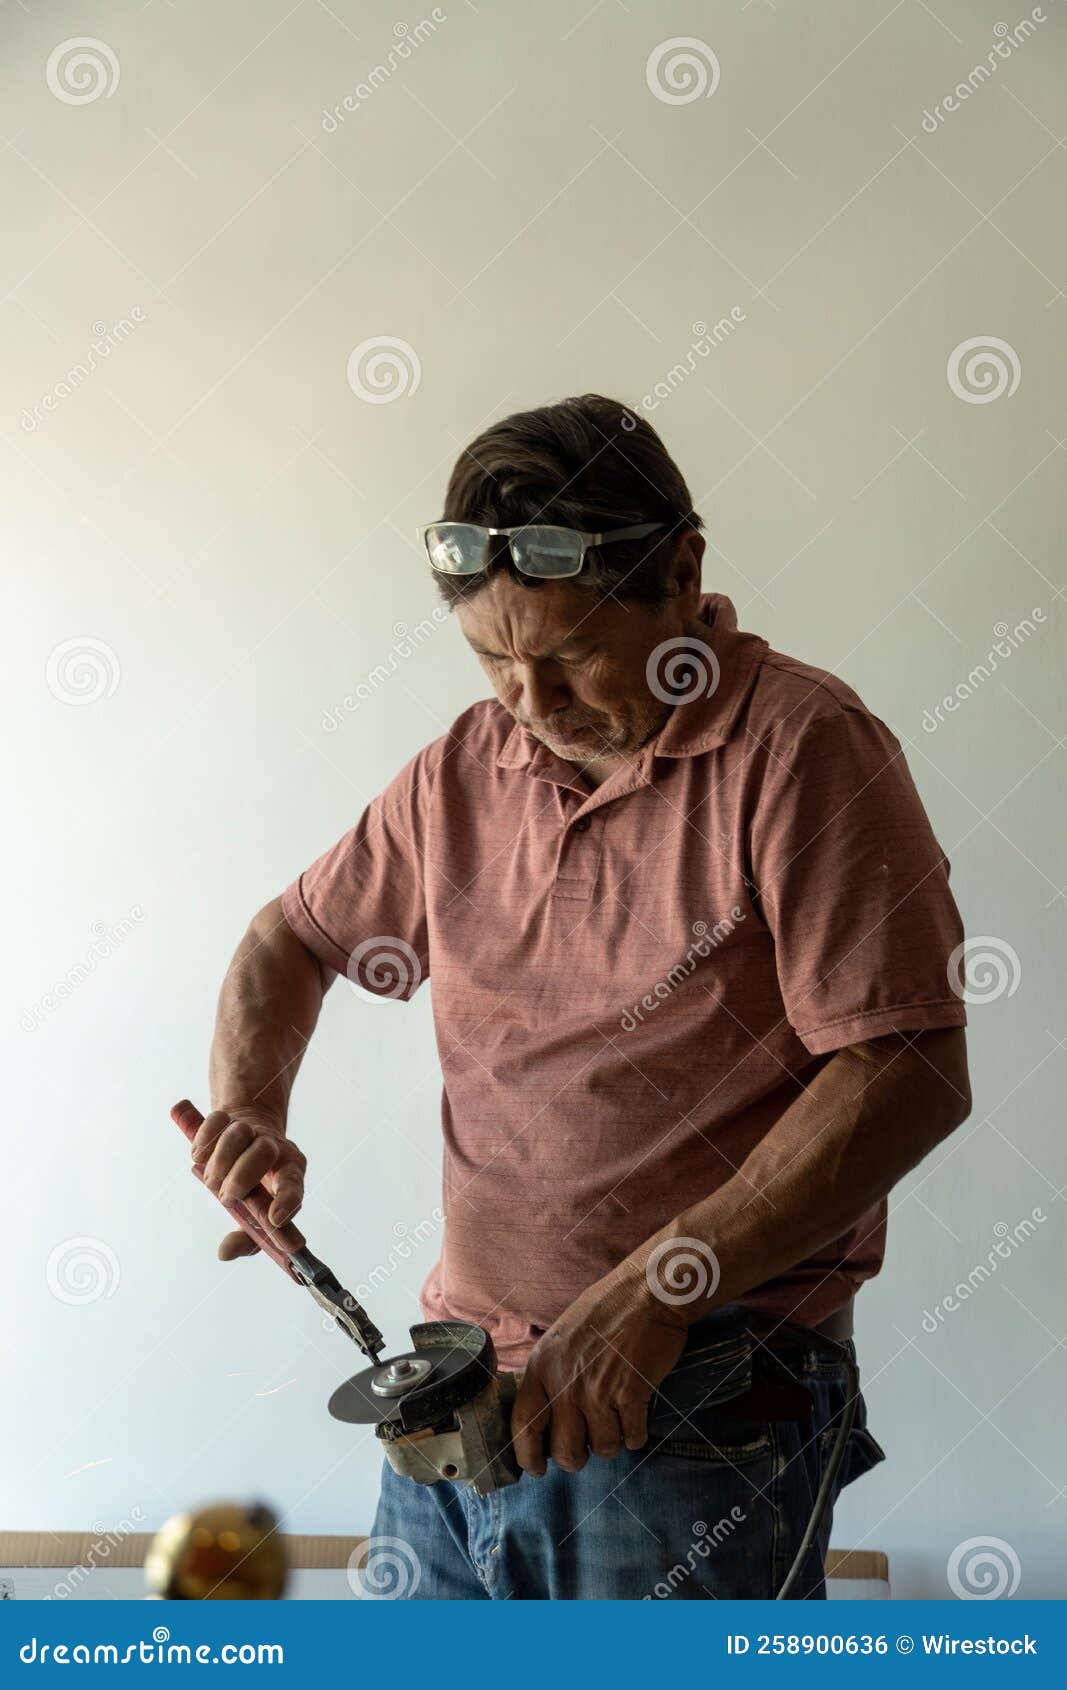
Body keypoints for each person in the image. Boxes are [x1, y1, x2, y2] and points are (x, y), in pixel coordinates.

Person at [191, 394, 971, 1599]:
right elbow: (284, 940)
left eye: (565, 655)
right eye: (492, 658)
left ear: (681, 571)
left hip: (702, 1411)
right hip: (458, 1408)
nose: (526, 700)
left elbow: (906, 1071)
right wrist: (252, 1110)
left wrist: (667, 1277)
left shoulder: (802, 749)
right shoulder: (465, 767)